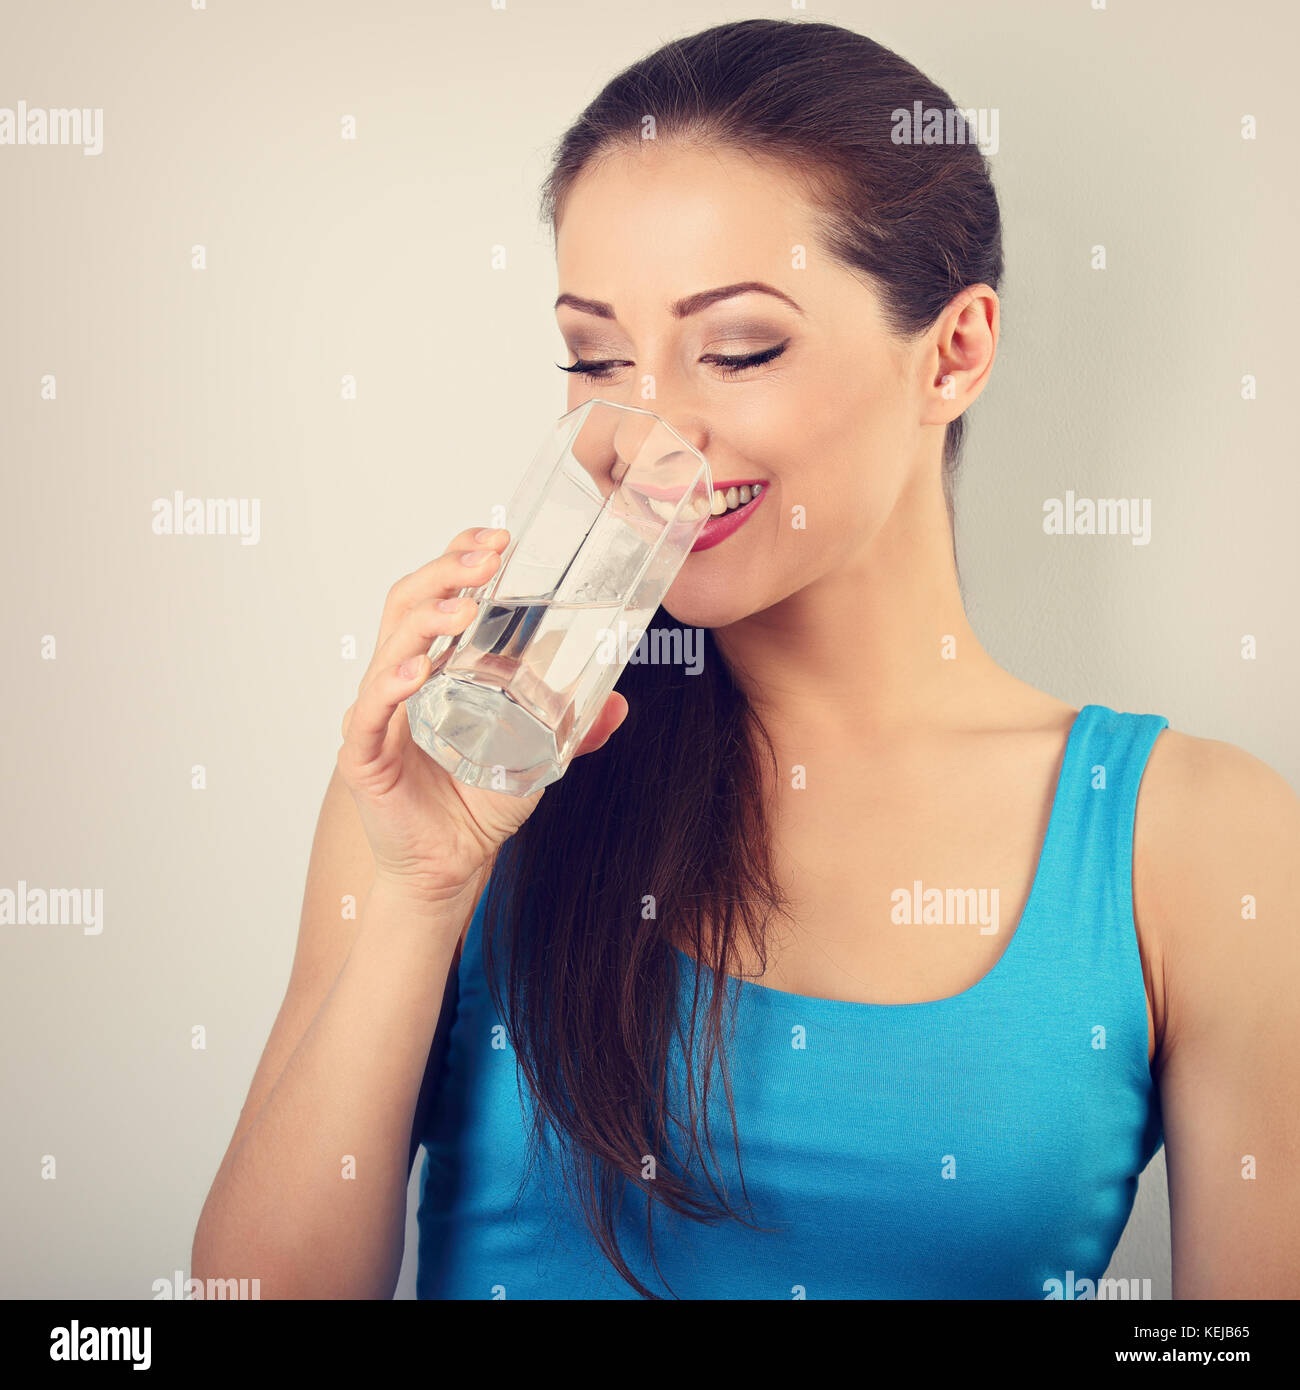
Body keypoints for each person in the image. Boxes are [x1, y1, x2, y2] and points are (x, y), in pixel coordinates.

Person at [192, 18, 1300, 1300]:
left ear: (955, 350)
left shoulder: (1194, 837)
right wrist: (421, 891)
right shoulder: (460, 769)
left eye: (737, 349)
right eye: (597, 358)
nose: (645, 431)